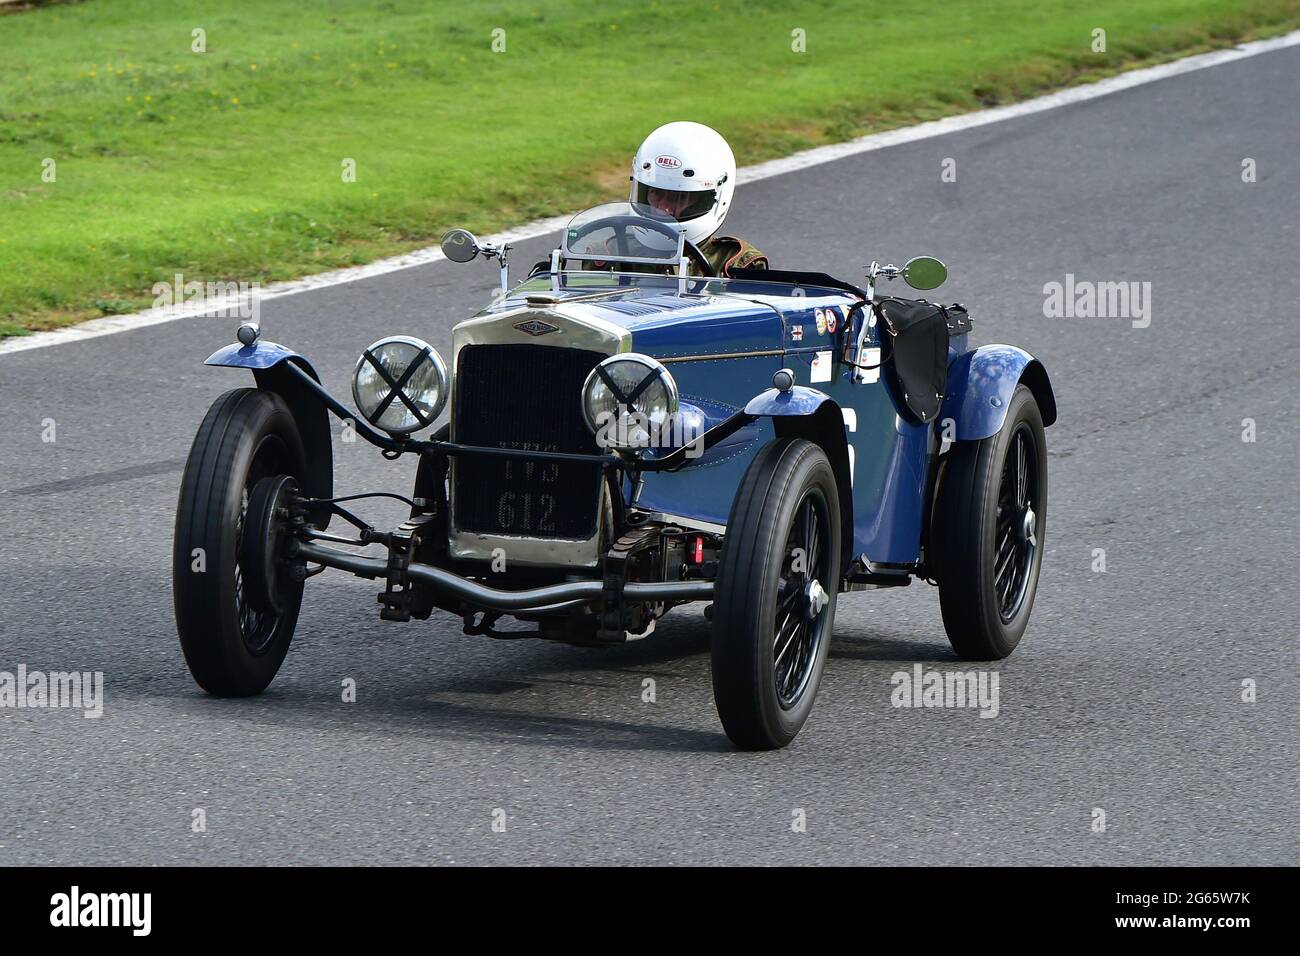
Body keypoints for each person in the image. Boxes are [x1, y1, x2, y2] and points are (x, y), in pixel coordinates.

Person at [628, 121, 768, 276]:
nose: (663, 208)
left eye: (679, 197)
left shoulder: (735, 264)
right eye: (656, 193)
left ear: (706, 201)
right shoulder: (618, 251)